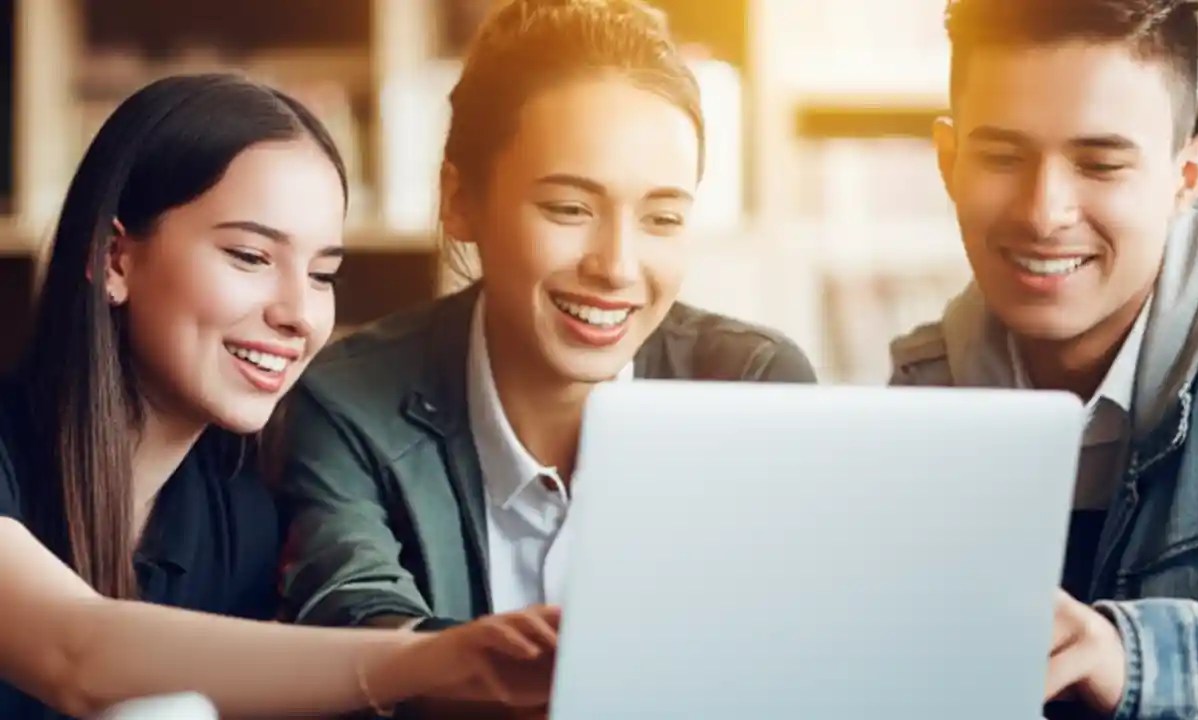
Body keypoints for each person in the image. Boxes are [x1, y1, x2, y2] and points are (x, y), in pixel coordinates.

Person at [278, 0, 815, 712]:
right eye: (569, 209)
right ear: (460, 199)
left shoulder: (754, 386)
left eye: (662, 218)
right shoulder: (347, 403)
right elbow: (353, 613)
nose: (617, 266)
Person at [0, 73, 559, 720]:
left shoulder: (241, 514)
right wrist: (430, 659)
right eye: (250, 256)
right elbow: (76, 653)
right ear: (114, 259)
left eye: (323, 274)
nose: (299, 314)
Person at [889, 0, 1198, 717]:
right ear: (948, 162)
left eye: (1100, 164)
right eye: (1002, 158)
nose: (1044, 213)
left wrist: (1133, 657)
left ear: (1187, 177)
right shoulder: (921, 389)